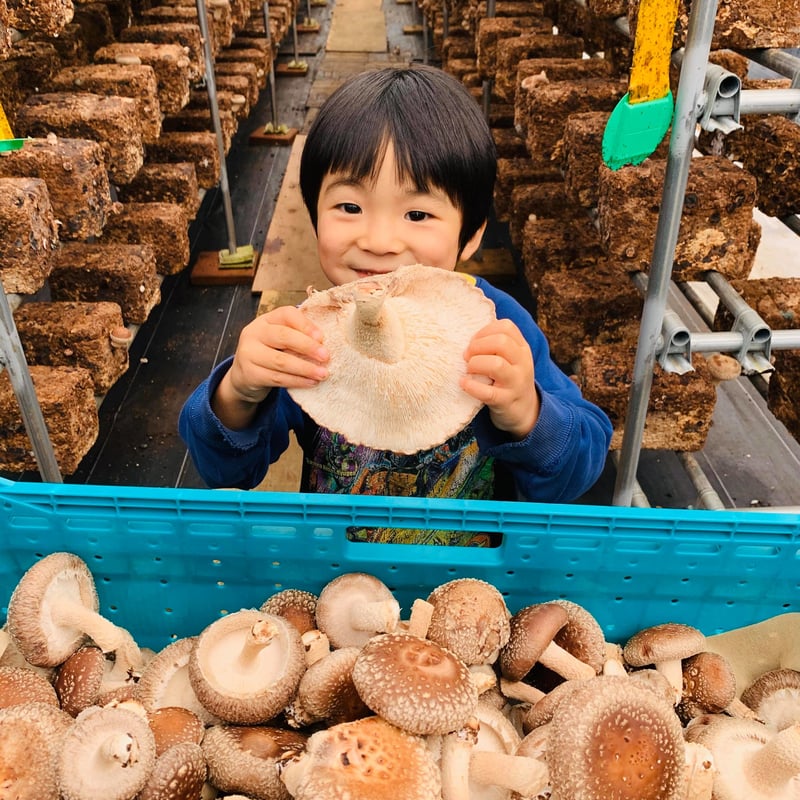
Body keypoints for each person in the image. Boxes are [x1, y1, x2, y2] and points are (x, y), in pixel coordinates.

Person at [179, 65, 612, 544]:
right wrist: (237, 392)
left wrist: (530, 413)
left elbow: (580, 465)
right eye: (349, 207)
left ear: (471, 234)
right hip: (338, 584)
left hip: (471, 587)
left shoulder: (499, 326)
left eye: (418, 213)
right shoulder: (308, 335)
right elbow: (228, 471)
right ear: (314, 214)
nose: (380, 241)